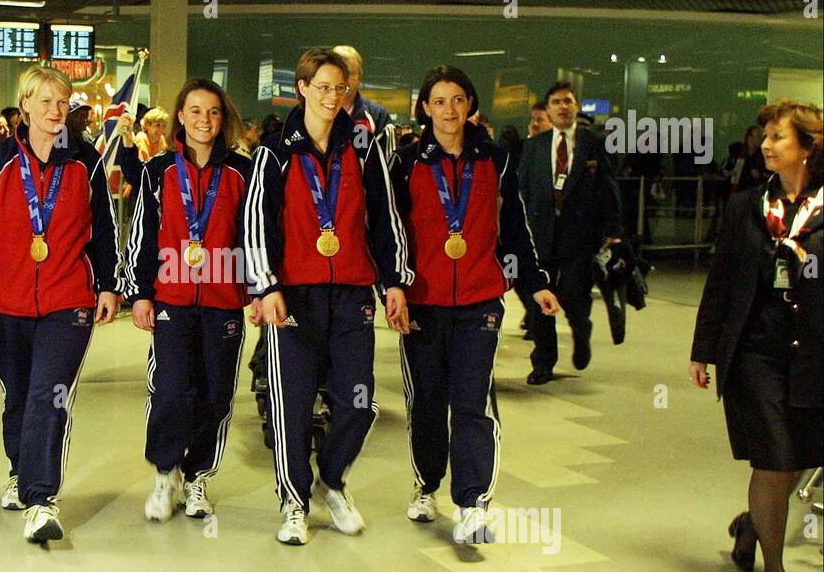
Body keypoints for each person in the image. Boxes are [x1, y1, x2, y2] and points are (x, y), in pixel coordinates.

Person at [245, 47, 413, 546]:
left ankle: (331, 481)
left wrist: (394, 282)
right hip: (294, 297)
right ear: (301, 88)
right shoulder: (274, 152)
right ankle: (294, 502)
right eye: (321, 86)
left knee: (358, 404)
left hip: (352, 295)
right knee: (291, 407)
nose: (331, 97)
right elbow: (257, 223)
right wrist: (265, 285)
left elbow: (385, 220)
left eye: (340, 88)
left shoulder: (364, 150)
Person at [0, 66, 122, 543]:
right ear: (24, 105)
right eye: (45, 102)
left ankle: (41, 498)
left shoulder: (84, 161)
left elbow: (104, 229)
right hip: (7, 299)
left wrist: (109, 284)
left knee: (50, 394)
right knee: (19, 395)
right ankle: (20, 469)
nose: (55, 112)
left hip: (69, 299)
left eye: (63, 103)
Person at [390, 66, 558, 543]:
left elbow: (515, 231)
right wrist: (393, 285)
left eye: (458, 100)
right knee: (426, 402)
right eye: (439, 101)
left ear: (471, 105)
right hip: (423, 301)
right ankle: (426, 484)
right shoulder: (406, 163)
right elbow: (392, 231)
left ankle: (473, 501)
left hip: (480, 300)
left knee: (473, 401)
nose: (449, 110)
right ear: (424, 108)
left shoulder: (496, 159)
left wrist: (535, 283)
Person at [690, 100, 823, 572]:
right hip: (754, 350)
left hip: (815, 349)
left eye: (778, 138)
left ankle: (752, 524)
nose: (765, 145)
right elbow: (721, 280)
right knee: (773, 458)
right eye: (764, 137)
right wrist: (704, 350)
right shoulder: (746, 205)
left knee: (798, 457)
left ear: (807, 147)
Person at [119, 78, 252, 523]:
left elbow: (252, 236)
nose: (204, 121)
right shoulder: (158, 171)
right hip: (172, 298)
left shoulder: (240, 171)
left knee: (215, 393)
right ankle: (165, 471)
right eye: (195, 111)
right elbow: (142, 234)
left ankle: (197, 478)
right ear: (180, 116)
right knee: (173, 390)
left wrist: (255, 290)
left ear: (223, 118)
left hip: (223, 299)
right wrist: (139, 293)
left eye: (213, 112)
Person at [516, 81, 624, 384]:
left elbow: (609, 188)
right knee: (539, 302)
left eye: (568, 101)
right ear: (548, 110)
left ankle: (581, 332)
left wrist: (614, 231)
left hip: (580, 237)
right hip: (540, 237)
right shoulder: (535, 146)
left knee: (576, 297)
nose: (563, 106)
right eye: (556, 102)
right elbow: (521, 190)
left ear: (576, 107)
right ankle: (543, 362)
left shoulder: (595, 143)